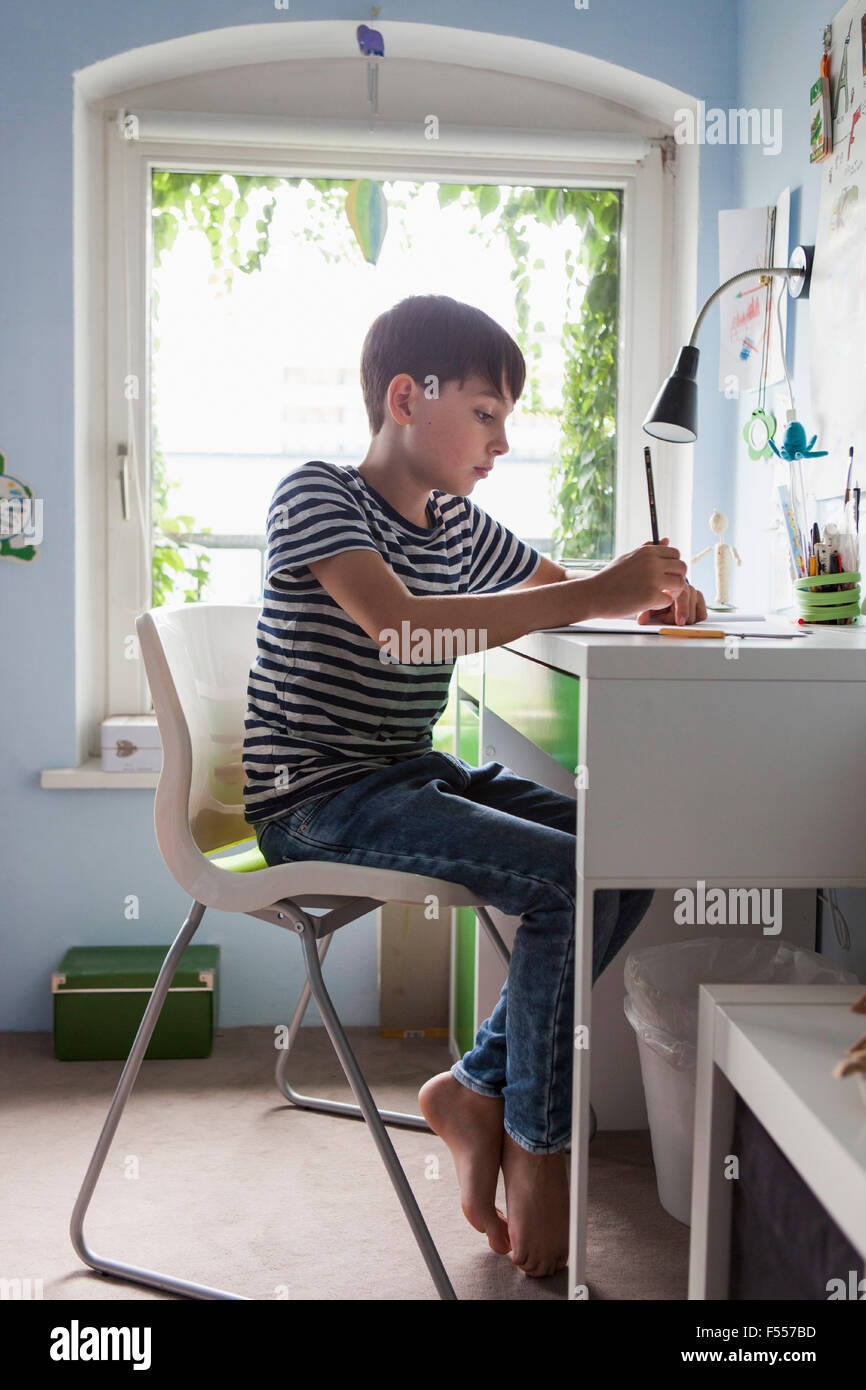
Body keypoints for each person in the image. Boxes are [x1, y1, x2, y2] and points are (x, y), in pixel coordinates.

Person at [242, 294, 707, 1279]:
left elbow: (553, 582)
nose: (501, 441)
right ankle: (540, 1153)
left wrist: (653, 598)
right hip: (315, 796)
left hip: (403, 773)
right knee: (571, 881)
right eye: (487, 414)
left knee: (620, 860)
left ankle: (473, 1087)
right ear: (408, 397)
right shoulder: (316, 493)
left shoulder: (453, 520)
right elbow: (401, 626)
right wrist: (599, 590)